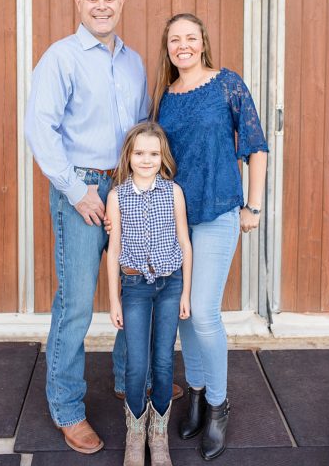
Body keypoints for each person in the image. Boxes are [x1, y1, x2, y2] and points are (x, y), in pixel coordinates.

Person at [25, 0, 149, 453]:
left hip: (126, 189)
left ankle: (126, 378)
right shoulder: (62, 57)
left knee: (136, 289)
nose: (102, 6)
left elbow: (141, 131)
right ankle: (67, 407)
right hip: (80, 189)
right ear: (78, 1)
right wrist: (78, 192)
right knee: (76, 303)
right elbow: (41, 129)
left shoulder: (135, 62)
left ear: (123, 2)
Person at [153, 13, 268, 460]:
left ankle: (219, 406)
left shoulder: (227, 84)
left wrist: (252, 206)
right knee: (183, 313)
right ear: (168, 48)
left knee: (203, 312)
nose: (183, 45)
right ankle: (196, 394)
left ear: (203, 43)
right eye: (174, 40)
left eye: (190, 38)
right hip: (175, 219)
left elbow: (255, 145)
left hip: (219, 212)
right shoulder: (165, 98)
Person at [106, 122, 192, 466]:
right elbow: (113, 252)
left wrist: (186, 292)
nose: (146, 160)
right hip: (135, 288)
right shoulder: (117, 196)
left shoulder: (173, 192)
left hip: (170, 285)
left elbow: (185, 242)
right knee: (136, 364)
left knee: (163, 360)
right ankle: (135, 432)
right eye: (139, 153)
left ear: (162, 157)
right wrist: (114, 300)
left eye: (153, 154)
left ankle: (158, 435)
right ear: (129, 156)